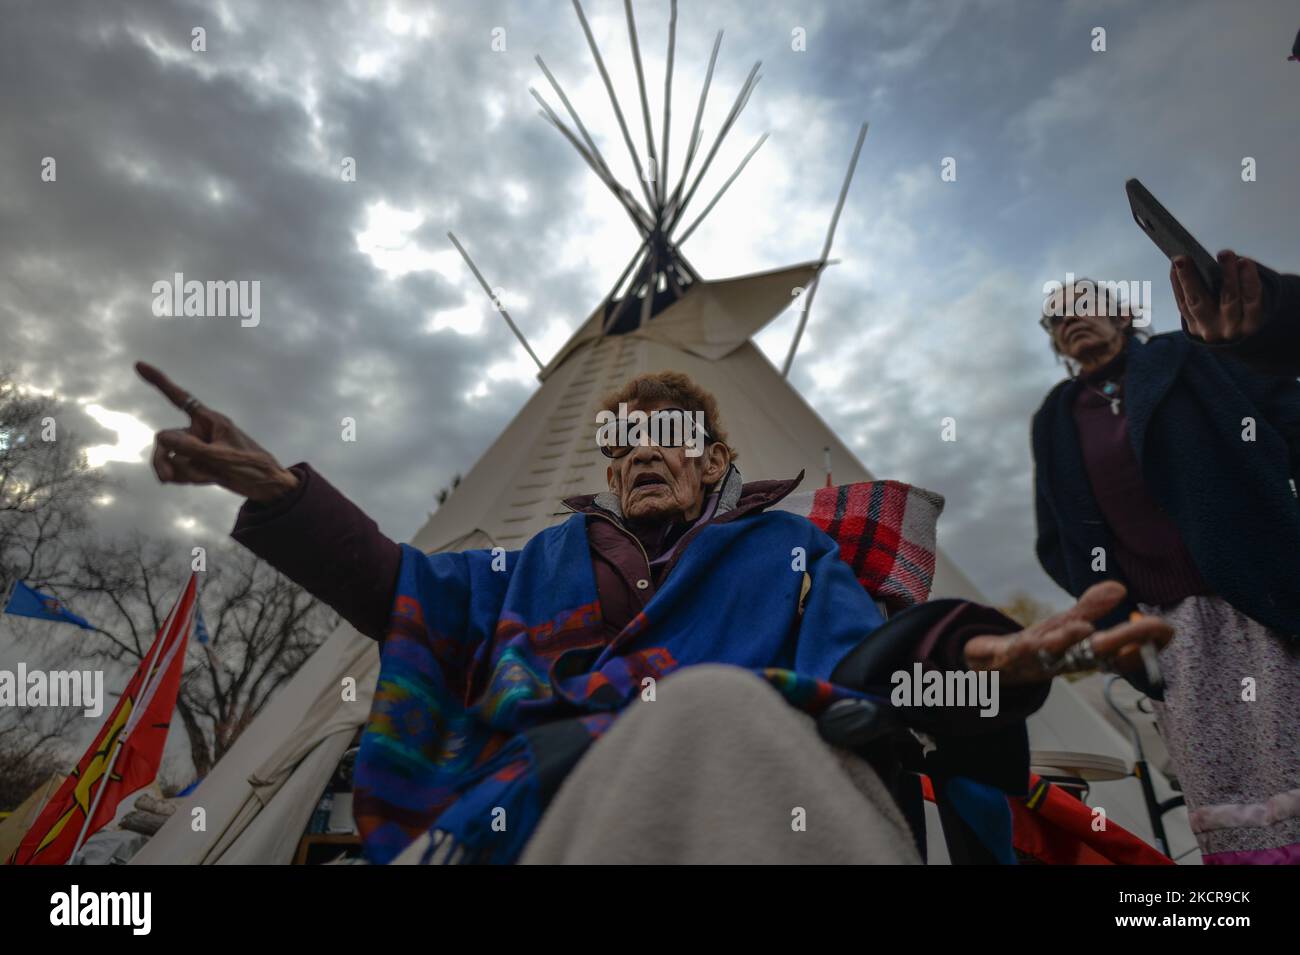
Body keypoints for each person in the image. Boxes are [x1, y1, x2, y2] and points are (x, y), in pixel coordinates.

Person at [139, 362, 1170, 864]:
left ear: (717, 460)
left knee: (712, 711)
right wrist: (280, 493)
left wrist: (981, 661)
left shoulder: (788, 550)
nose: (639, 450)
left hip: (756, 779)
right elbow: (402, 587)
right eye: (622, 439)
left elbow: (868, 664)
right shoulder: (541, 558)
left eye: (666, 434)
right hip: (546, 797)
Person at [1032, 258, 1300, 865]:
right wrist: (1115, 618)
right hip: (1159, 628)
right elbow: (1060, 536)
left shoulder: (1191, 356)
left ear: (1122, 313)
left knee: (1289, 746)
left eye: (1083, 306)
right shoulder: (1056, 417)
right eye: (1056, 321)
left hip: (1259, 592)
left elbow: (1289, 419)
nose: (1070, 322)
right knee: (1221, 780)